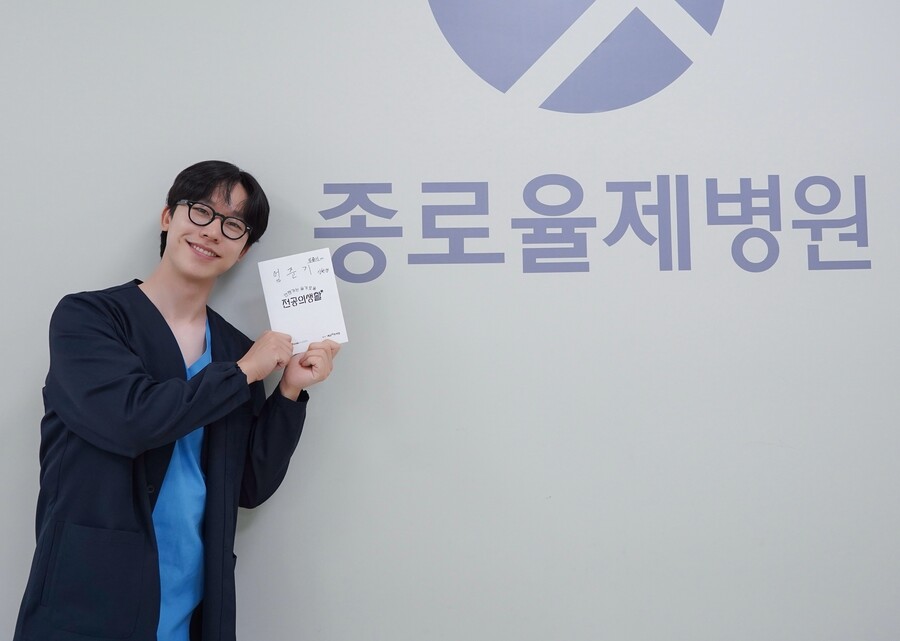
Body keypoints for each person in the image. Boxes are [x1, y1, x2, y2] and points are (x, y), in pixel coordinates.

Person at [13, 160, 339, 641]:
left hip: (191, 603)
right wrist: (245, 372)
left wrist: (289, 390)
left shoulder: (233, 349)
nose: (213, 231)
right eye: (201, 211)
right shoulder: (89, 318)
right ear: (168, 216)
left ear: (244, 250)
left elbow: (247, 486)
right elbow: (130, 421)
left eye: (233, 225)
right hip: (90, 596)